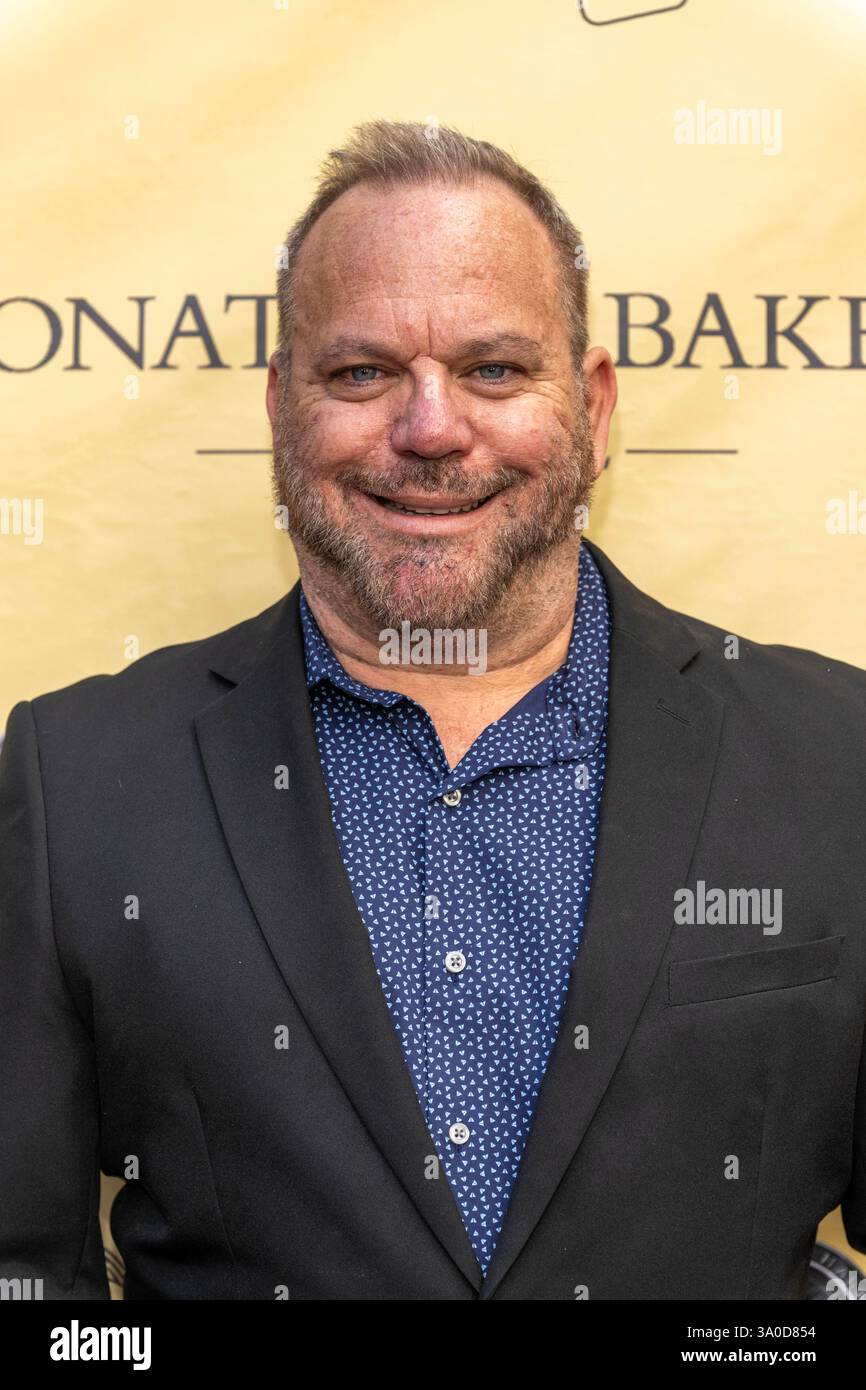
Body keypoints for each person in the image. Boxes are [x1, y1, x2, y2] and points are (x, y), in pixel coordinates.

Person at [1, 120, 864, 1301]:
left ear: (596, 409)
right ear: (278, 409)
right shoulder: (75, 777)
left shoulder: (835, 758)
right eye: (358, 373)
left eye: (493, 370)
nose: (427, 428)